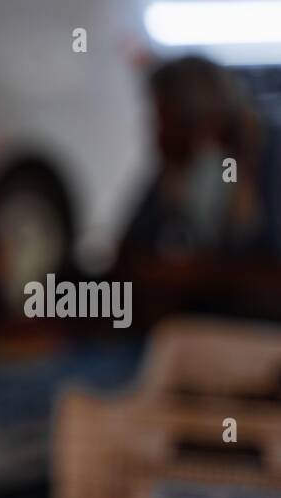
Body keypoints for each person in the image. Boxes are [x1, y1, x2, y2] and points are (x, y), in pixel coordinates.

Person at [116, 56, 281, 323]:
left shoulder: (267, 152)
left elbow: (270, 265)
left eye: (163, 117)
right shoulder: (177, 163)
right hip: (203, 317)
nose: (156, 132)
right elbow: (131, 253)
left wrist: (197, 272)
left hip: (261, 324)